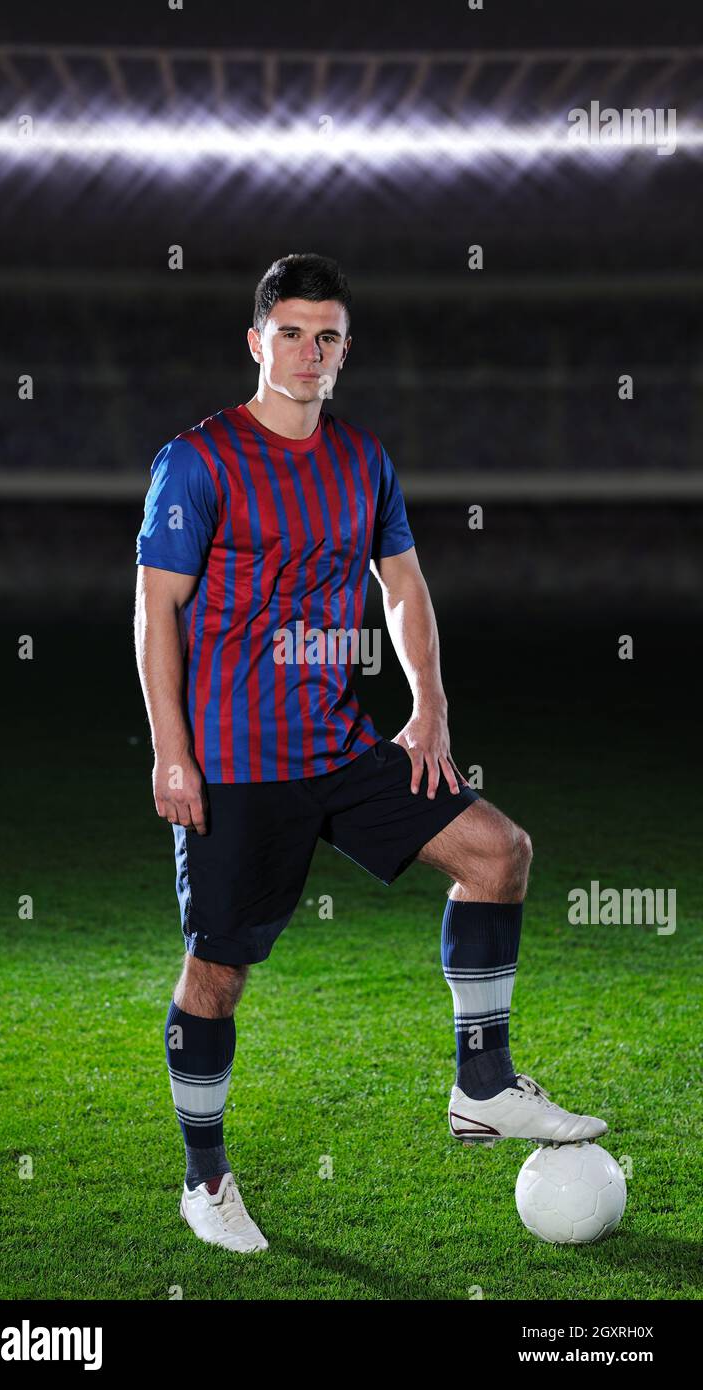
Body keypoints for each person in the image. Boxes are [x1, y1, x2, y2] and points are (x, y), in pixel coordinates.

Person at [134, 252, 607, 1254]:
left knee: (496, 852)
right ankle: (204, 1177)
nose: (309, 355)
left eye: (327, 336)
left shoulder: (362, 458)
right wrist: (171, 754)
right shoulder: (198, 460)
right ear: (258, 342)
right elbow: (155, 611)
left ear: (345, 349)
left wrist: (427, 706)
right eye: (291, 334)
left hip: (341, 749)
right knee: (217, 971)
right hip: (234, 765)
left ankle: (480, 1085)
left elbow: (401, 584)